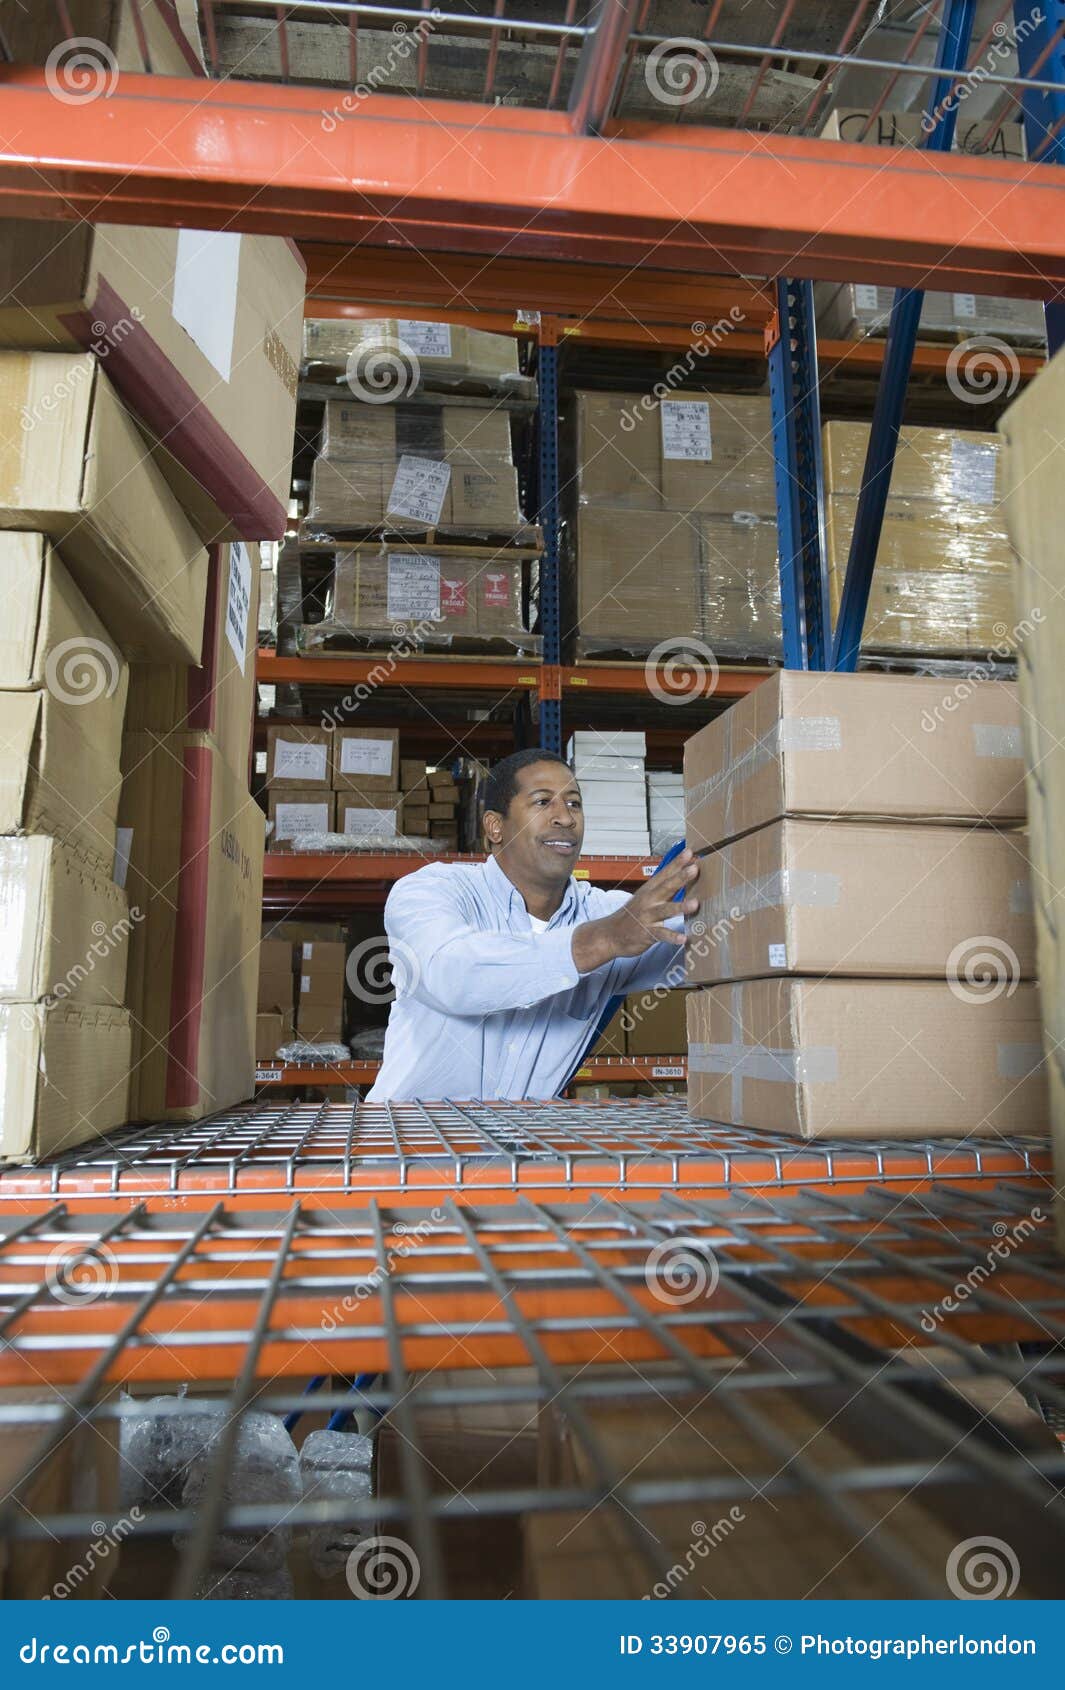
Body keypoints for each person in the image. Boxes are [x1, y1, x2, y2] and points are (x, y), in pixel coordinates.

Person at [367, 747, 699, 1101]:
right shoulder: (430, 891)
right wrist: (601, 941)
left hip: (517, 1136)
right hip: (407, 1132)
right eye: (543, 802)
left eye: (574, 804)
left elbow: (710, 942)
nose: (565, 818)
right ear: (495, 827)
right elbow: (451, 974)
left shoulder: (608, 914)